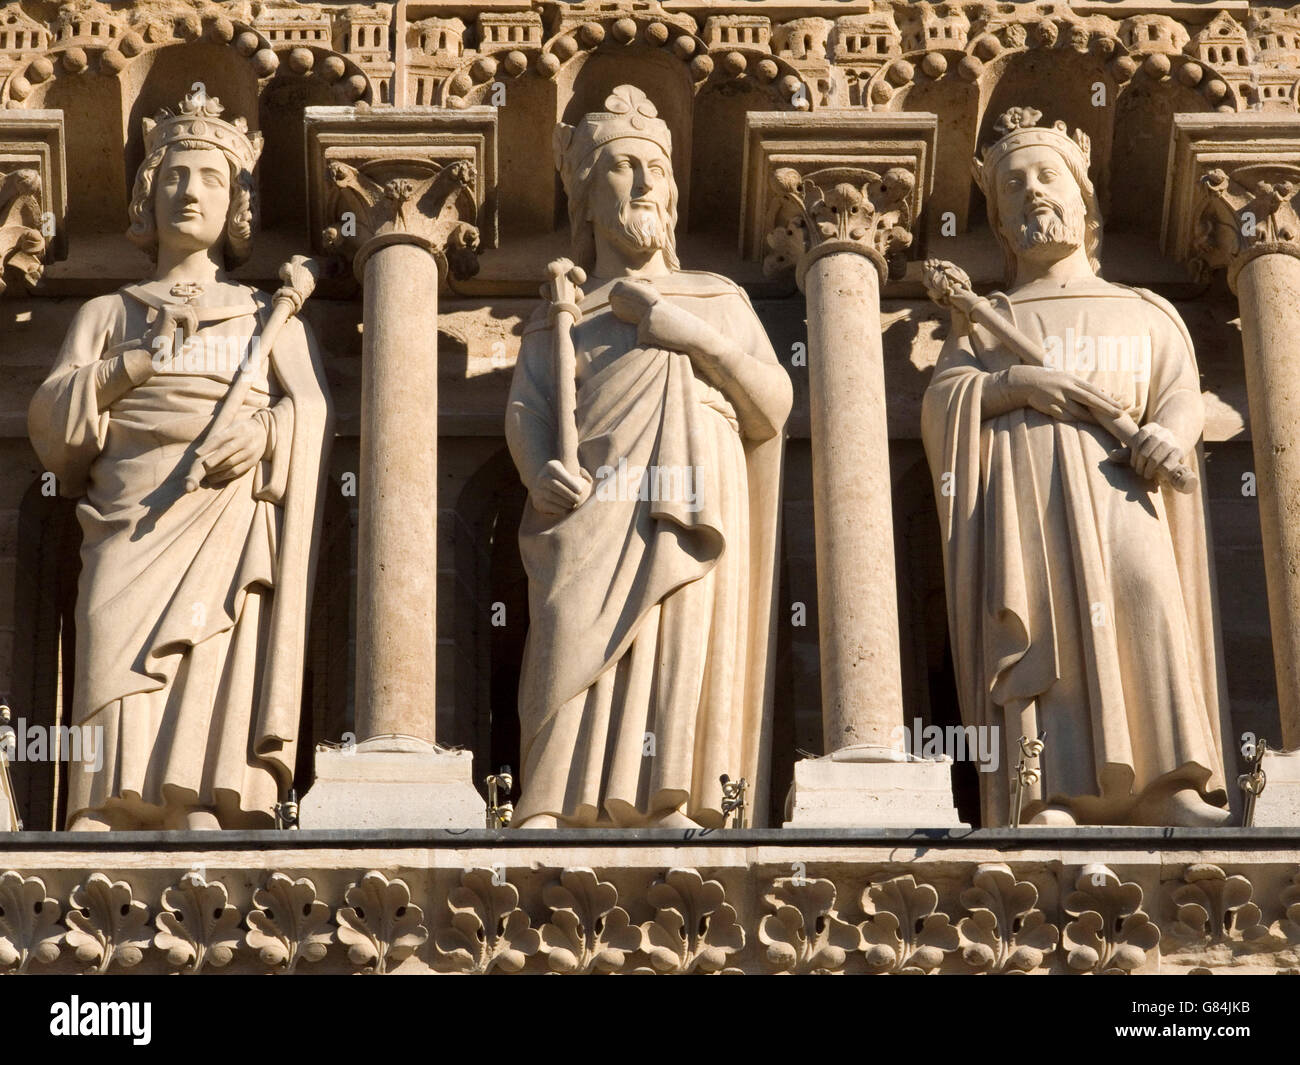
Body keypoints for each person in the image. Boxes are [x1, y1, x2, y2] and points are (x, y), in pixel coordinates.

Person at [28, 92, 332, 829]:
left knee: (210, 636)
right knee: (109, 637)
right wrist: (131, 365)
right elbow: (52, 424)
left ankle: (199, 793)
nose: (190, 191)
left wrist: (263, 435)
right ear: (146, 195)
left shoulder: (264, 314)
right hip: (128, 506)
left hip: (221, 504)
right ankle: (103, 799)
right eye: (172, 176)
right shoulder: (108, 312)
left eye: (210, 178)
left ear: (236, 205)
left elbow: (311, 410)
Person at [921, 106, 1232, 827]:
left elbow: (1181, 392)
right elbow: (944, 407)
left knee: (1146, 597)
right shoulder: (987, 318)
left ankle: (1171, 784)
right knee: (1046, 622)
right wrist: (1020, 386)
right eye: (1013, 186)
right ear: (999, 223)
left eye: (1046, 176)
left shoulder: (1143, 309)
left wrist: (1167, 435)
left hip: (1120, 485)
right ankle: (1048, 790)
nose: (1032, 192)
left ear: (1080, 195)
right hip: (1026, 491)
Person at [505, 86, 792, 827]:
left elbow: (772, 403)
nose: (642, 185)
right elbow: (529, 409)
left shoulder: (715, 295)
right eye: (621, 168)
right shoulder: (562, 316)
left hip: (693, 490)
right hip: (595, 506)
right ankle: (555, 799)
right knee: (569, 627)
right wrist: (541, 469)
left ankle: (674, 796)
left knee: (681, 626)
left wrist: (680, 328)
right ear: (587, 198)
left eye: (655, 170)